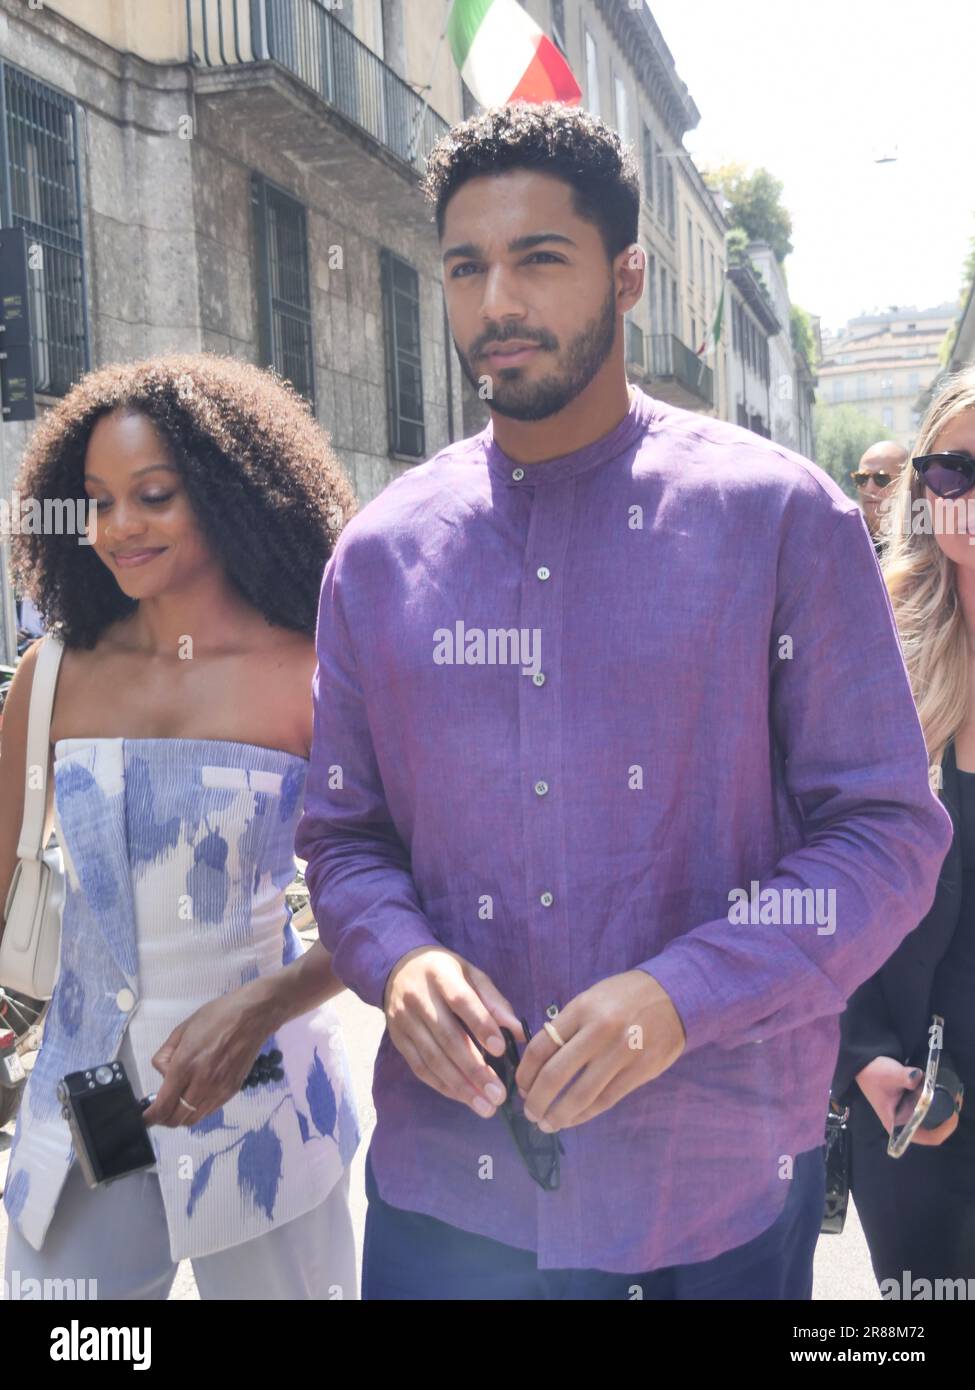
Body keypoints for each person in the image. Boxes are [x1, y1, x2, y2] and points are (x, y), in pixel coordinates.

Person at [293, 103, 953, 1301]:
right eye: (465, 265)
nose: (498, 300)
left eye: (540, 257)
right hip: (450, 1204)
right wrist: (399, 962)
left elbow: (888, 835)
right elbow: (342, 839)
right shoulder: (379, 556)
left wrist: (680, 998)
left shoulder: (781, 521)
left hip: (711, 1197)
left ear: (629, 272)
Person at [1, 353, 361, 1300]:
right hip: (80, 1113)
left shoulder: (312, 672)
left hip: (268, 1114)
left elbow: (386, 900)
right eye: (98, 500)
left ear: (228, 496)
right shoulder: (49, 677)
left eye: (152, 495)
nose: (119, 527)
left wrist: (267, 1005)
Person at [833, 364, 975, 1292]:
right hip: (924, 1101)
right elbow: (814, 866)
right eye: (954, 469)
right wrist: (857, 1057)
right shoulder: (877, 641)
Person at [851, 441, 907, 557]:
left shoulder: (926, 545)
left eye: (881, 478)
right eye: (862, 478)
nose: (869, 488)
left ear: (906, 483)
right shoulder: (845, 539)